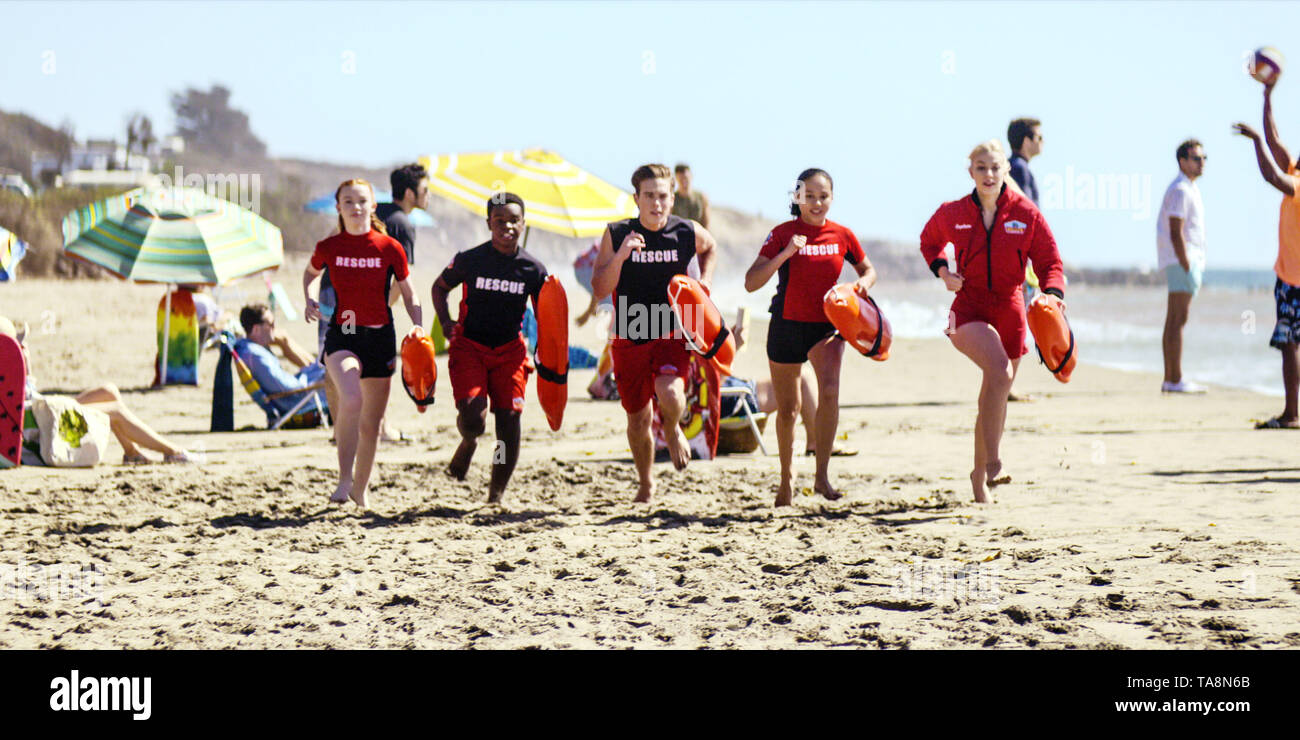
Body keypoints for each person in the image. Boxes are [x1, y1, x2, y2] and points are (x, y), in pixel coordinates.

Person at [919, 140, 1065, 503]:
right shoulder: (952, 212)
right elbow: (929, 242)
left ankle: (977, 475)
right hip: (966, 307)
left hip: (1010, 306)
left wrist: (1052, 295)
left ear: (1006, 171)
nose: (988, 174)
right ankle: (995, 460)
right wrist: (942, 271)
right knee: (1000, 372)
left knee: (993, 392)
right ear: (971, 172)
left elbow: (1050, 262)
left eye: (995, 167)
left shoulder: (1026, 213)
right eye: (981, 167)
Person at [744, 168, 875, 506]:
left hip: (826, 326)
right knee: (789, 410)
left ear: (832, 198)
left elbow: (868, 269)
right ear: (797, 198)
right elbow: (751, 281)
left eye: (824, 196)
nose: (817, 203)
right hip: (786, 325)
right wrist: (786, 253)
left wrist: (862, 285)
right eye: (810, 196)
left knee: (830, 391)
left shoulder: (842, 234)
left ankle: (821, 477)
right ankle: (786, 483)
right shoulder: (781, 233)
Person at [591, 163, 718, 503]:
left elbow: (711, 247)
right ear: (636, 198)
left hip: (672, 331)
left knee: (672, 396)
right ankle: (646, 482)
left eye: (663, 196)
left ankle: (673, 427)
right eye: (649, 196)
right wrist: (621, 255)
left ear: (672, 199)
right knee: (637, 419)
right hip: (630, 333)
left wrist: (704, 283)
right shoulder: (617, 233)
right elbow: (600, 286)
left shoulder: (685, 231)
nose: (656, 204)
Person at [303, 178, 423, 508]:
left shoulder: (389, 247)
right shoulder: (330, 246)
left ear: (372, 206)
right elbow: (311, 273)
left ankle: (360, 488)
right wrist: (310, 298)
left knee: (371, 427)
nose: (356, 207)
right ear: (338, 207)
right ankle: (343, 481)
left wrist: (419, 327)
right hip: (344, 333)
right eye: (348, 202)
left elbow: (410, 293)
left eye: (362, 201)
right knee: (351, 398)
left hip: (381, 337)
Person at [430, 193, 549, 503]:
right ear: (488, 224)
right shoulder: (470, 260)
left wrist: (550, 353)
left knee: (507, 424)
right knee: (473, 418)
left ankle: (495, 495)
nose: (506, 226)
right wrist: (445, 322)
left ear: (523, 224)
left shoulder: (533, 270)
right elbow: (439, 288)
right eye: (499, 221)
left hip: (511, 353)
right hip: (469, 348)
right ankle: (468, 442)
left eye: (514, 220)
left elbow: (548, 314)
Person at [1, 316, 197, 465]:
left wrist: (26, 368)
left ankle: (133, 454)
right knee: (115, 412)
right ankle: (172, 452)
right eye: (19, 346)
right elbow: (17, 409)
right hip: (40, 426)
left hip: (41, 412)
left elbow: (27, 393)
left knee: (108, 391)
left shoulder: (11, 369)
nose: (24, 348)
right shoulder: (6, 374)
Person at [1235, 78, 1300, 428]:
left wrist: (1256, 143)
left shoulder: (1297, 184)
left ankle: (1292, 414)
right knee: (1290, 344)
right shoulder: (1296, 171)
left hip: (1295, 283)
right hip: (1288, 277)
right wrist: (1267, 96)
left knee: (1290, 345)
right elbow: (1275, 138)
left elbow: (1271, 177)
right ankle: (1292, 412)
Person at [726, 321, 854, 457]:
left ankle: (815, 441)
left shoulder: (700, 320)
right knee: (801, 379)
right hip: (732, 398)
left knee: (799, 378)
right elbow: (711, 384)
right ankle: (817, 441)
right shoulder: (700, 320)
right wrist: (734, 347)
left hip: (731, 391)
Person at [1156, 139, 1209, 394]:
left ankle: (1171, 377)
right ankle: (1174, 378)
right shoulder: (1180, 190)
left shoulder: (1189, 188)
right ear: (1183, 161)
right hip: (1181, 260)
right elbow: (1176, 230)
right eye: (1196, 158)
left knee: (1175, 319)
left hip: (1184, 259)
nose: (1202, 163)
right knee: (1178, 319)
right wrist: (1186, 263)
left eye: (1203, 158)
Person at [234, 303, 336, 420]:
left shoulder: (250, 349)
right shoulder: (255, 355)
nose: (274, 328)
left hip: (296, 395)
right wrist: (308, 376)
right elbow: (286, 388)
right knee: (335, 371)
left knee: (328, 365)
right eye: (271, 324)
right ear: (256, 329)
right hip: (298, 402)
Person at [1007, 118, 1043, 204]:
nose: (1042, 141)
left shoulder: (1010, 165)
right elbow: (1026, 208)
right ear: (1027, 141)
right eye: (1039, 138)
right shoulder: (1019, 168)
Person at [670, 163, 711, 230]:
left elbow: (706, 224)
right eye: (681, 179)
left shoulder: (701, 197)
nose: (684, 182)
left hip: (698, 236)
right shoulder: (672, 199)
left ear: (691, 176)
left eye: (686, 178)